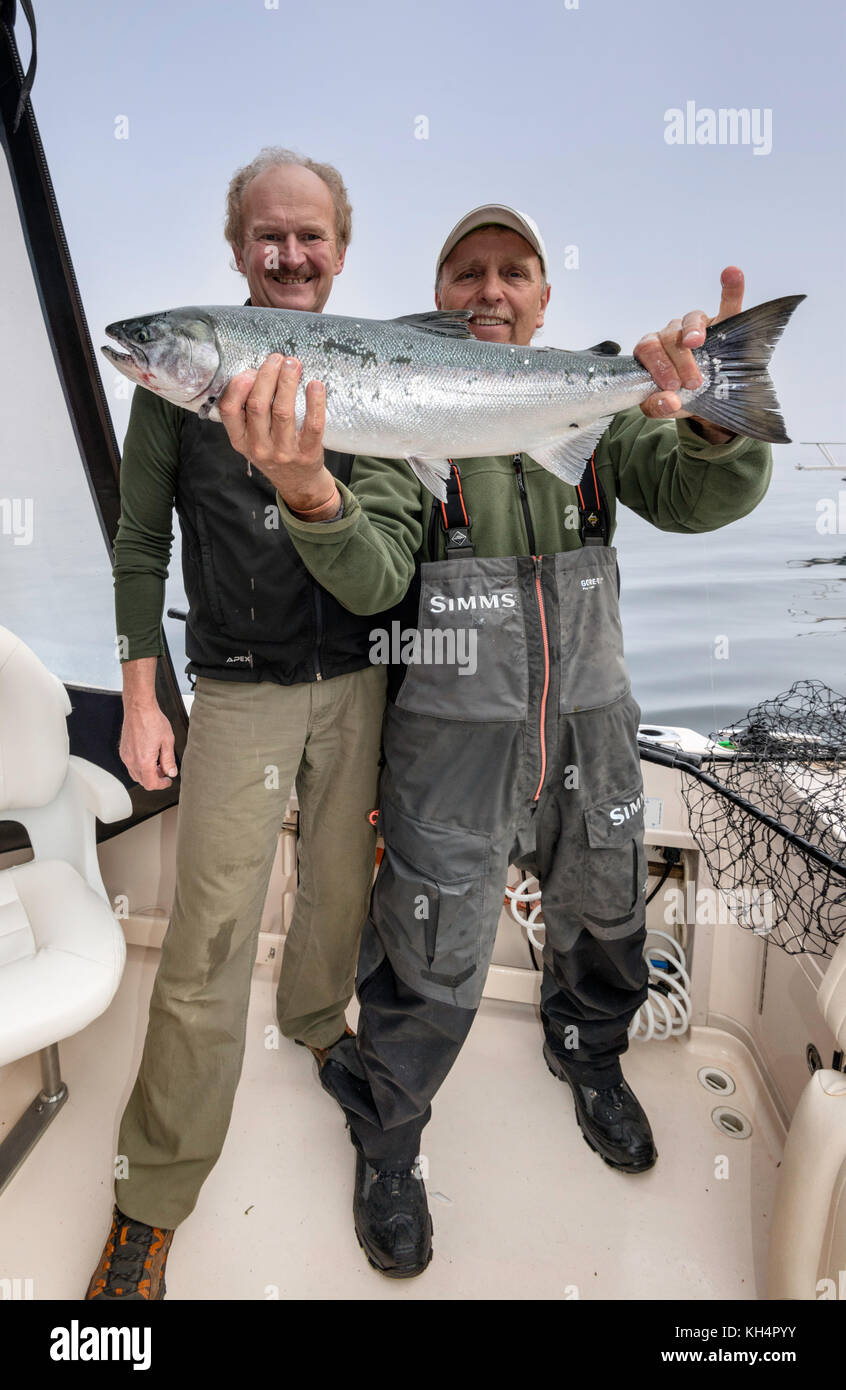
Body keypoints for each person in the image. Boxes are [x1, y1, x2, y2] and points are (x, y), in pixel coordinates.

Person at [219, 205, 773, 1280]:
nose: (490, 290)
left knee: (605, 905)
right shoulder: (395, 413)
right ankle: (389, 1139)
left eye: (514, 272)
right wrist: (308, 488)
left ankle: (589, 1052)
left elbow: (701, 495)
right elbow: (378, 575)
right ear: (438, 297)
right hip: (449, 734)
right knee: (428, 938)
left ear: (544, 299)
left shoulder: (601, 408)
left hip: (593, 720)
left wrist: (713, 415)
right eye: (467, 273)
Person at [86, 149, 388, 1301]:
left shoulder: (373, 368)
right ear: (236, 251)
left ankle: (318, 1019)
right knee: (206, 940)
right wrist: (145, 692)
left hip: (363, 677)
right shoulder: (172, 380)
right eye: (268, 236)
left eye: (310, 236)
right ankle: (151, 1195)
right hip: (242, 687)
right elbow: (137, 539)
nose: (290, 254)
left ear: (340, 251)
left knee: (340, 890)